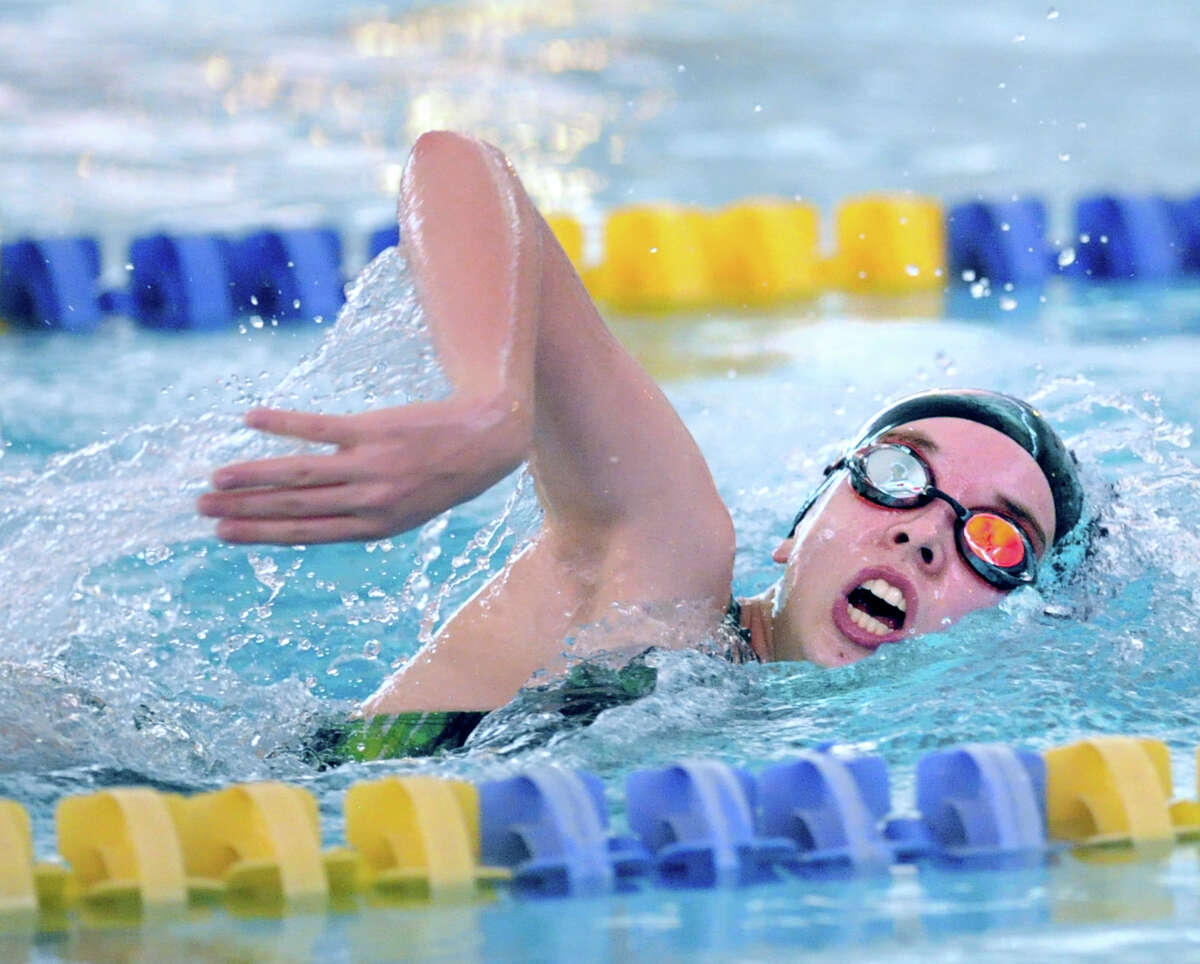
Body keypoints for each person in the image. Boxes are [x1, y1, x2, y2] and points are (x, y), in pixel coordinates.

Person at [197, 132, 1083, 762]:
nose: (925, 534)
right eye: (897, 476)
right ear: (799, 529)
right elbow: (459, 163)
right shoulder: (668, 576)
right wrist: (490, 408)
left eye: (996, 544)